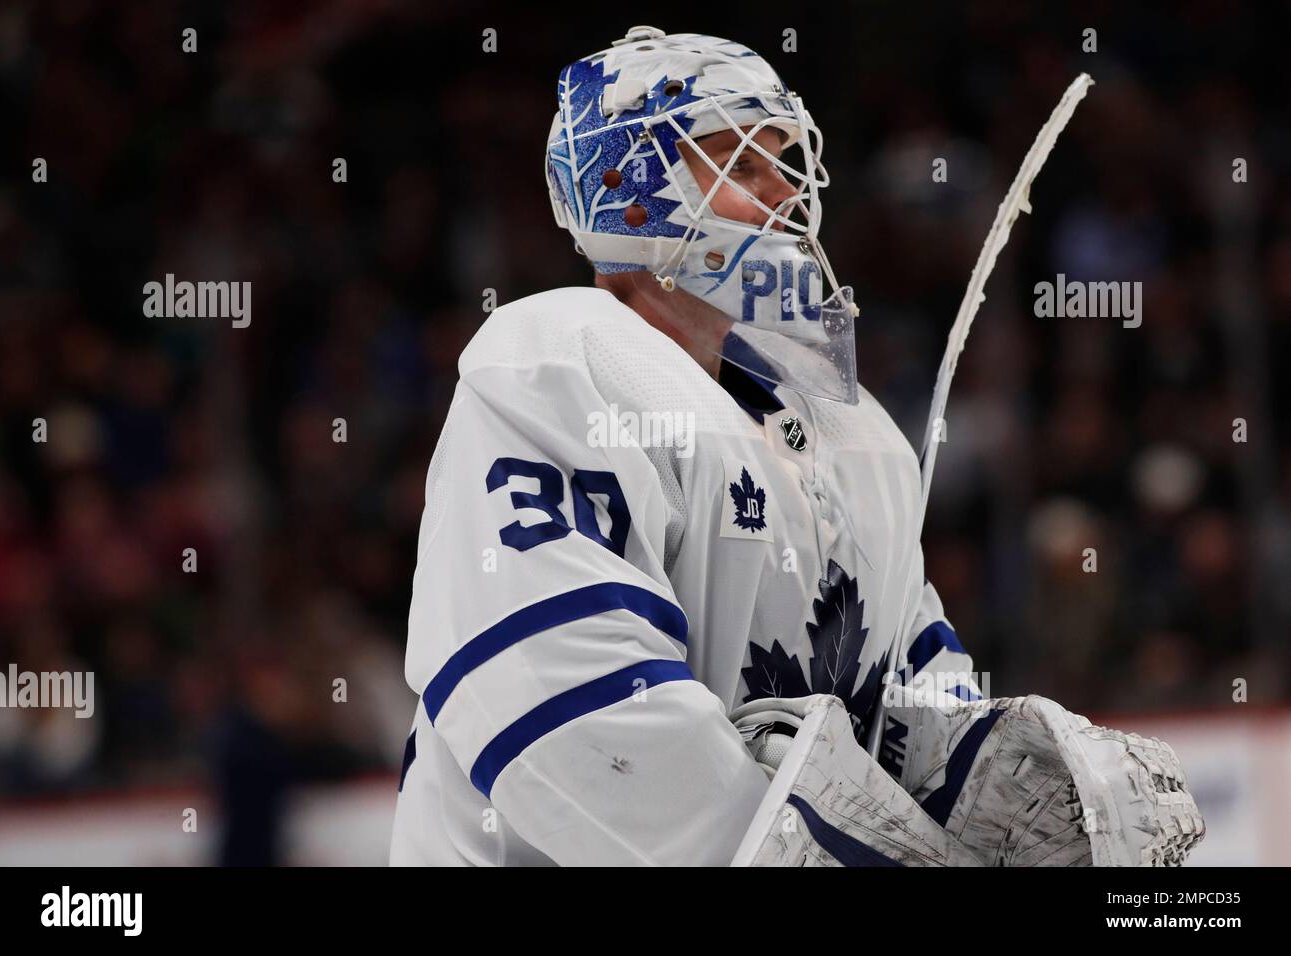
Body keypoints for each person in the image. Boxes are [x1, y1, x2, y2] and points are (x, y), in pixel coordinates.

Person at [389, 26, 1202, 866]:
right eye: (741, 163)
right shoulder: (555, 365)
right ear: (630, 192)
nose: (784, 191)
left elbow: (908, 703)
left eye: (785, 159)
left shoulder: (849, 427)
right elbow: (566, 711)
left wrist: (986, 784)